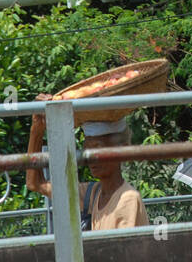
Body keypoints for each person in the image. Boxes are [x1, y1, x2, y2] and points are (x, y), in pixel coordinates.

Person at [25, 95, 148, 231]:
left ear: (123, 150)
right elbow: (35, 183)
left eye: (98, 148)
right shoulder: (93, 194)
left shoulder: (127, 199)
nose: (91, 157)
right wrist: (36, 129)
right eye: (87, 149)